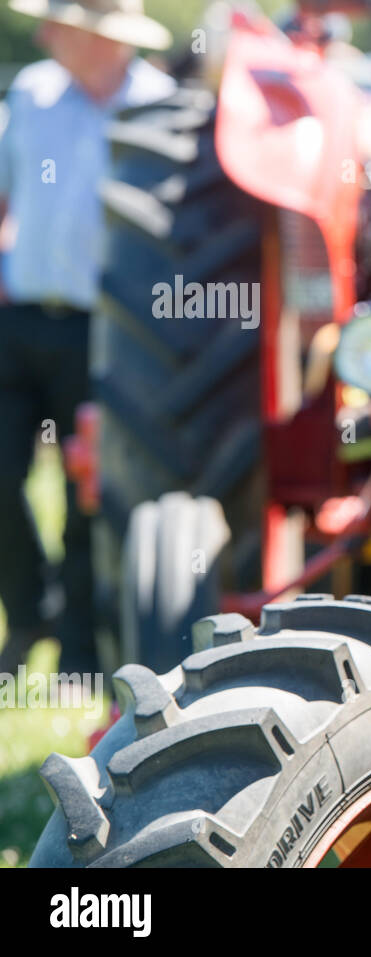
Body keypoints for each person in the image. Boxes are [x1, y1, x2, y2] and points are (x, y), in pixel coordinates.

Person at [0, 0, 175, 676]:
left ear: (101, 37)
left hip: (107, 333)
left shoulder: (160, 107)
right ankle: (28, 606)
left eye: (58, 20)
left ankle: (78, 648)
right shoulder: (32, 95)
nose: (43, 31)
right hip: (20, 319)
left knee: (86, 496)